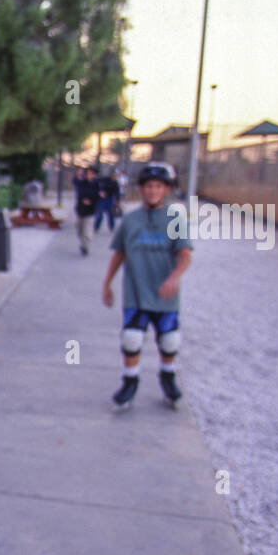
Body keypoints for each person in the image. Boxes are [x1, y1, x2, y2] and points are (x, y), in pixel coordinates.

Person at [101, 161, 193, 411]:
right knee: (131, 339)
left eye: (158, 186)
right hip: (136, 293)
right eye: (149, 186)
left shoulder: (175, 218)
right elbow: (119, 254)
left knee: (170, 341)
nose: (153, 191)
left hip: (165, 295)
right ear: (141, 189)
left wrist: (174, 277)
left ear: (166, 189)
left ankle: (168, 379)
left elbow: (185, 254)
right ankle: (129, 383)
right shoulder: (130, 220)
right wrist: (107, 283)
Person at [73, 166, 100, 255]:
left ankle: (86, 246)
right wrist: (84, 199)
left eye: (91, 173)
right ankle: (82, 243)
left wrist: (91, 200)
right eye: (88, 173)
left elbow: (99, 195)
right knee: (79, 230)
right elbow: (79, 192)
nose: (89, 175)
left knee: (87, 231)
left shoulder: (97, 184)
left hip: (90, 210)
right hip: (80, 209)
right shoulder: (81, 183)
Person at [94, 167, 120, 233]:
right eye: (114, 176)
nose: (115, 177)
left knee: (111, 214)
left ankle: (112, 227)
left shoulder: (116, 183)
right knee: (100, 213)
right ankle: (96, 227)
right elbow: (96, 182)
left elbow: (117, 193)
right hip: (102, 199)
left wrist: (118, 202)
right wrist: (100, 191)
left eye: (117, 176)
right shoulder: (105, 179)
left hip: (110, 199)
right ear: (112, 175)